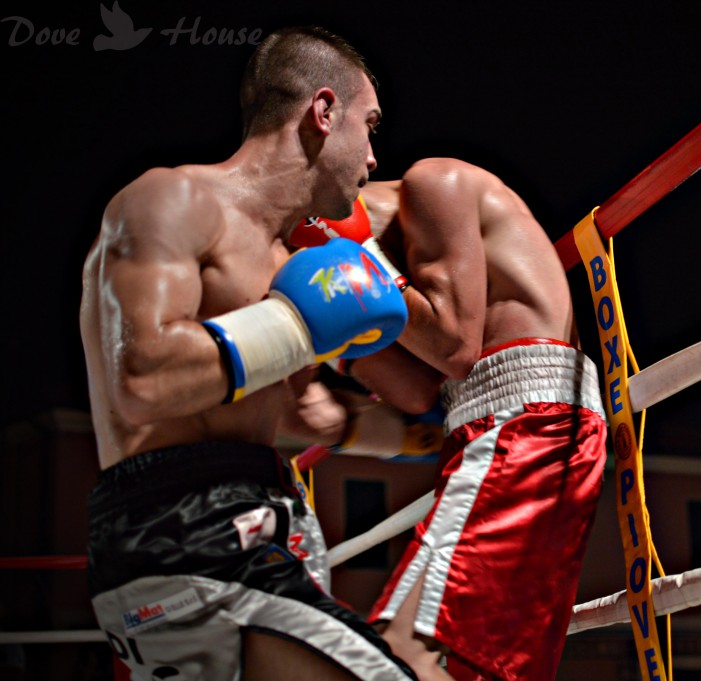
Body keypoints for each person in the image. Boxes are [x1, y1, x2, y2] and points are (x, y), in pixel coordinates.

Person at [79, 26, 432, 681]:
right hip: (190, 531)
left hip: (245, 528)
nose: (374, 157)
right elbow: (143, 376)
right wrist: (299, 326)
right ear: (322, 112)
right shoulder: (176, 199)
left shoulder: (281, 259)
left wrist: (419, 434)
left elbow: (296, 411)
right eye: (370, 124)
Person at [349, 158, 609, 681]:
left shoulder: (434, 183)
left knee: (402, 651)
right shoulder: (392, 257)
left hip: (527, 421)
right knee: (478, 668)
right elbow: (416, 389)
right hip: (495, 429)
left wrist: (364, 267)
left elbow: (456, 351)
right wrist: (336, 322)